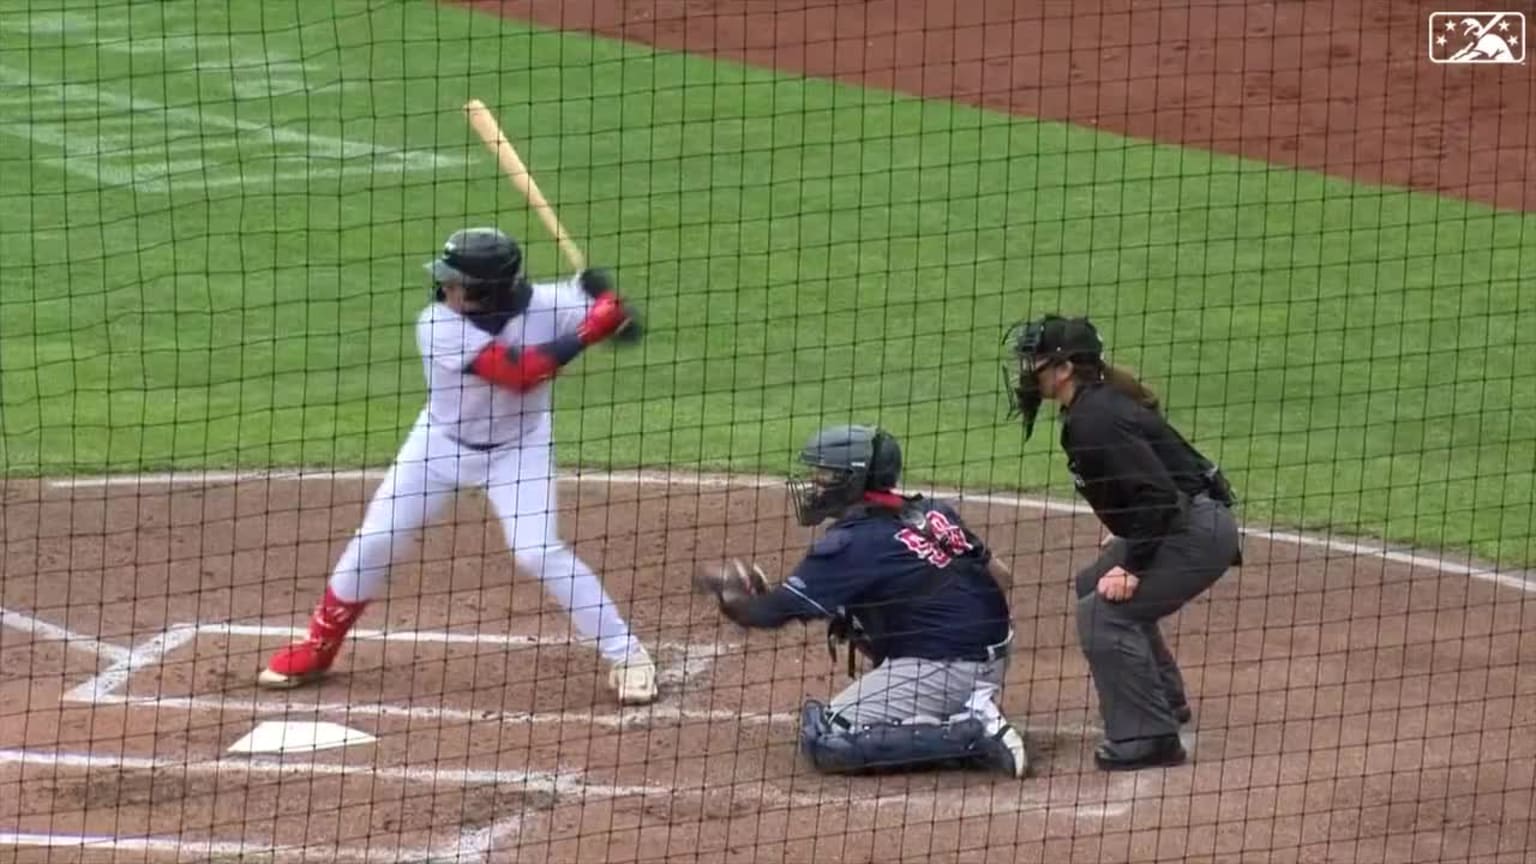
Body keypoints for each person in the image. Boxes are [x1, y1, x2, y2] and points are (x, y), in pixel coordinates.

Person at [257, 227, 660, 706]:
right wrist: (591, 329)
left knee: (537, 551)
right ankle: (318, 647)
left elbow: (622, 324)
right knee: (376, 540)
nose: (446, 289)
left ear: (489, 289)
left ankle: (629, 655)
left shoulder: (552, 304)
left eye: (457, 282)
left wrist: (607, 300)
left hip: (519, 449)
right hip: (438, 446)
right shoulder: (436, 325)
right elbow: (521, 373)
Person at [692, 424, 1029, 778]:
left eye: (824, 475)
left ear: (851, 480)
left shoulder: (852, 544)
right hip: (991, 648)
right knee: (857, 616)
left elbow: (770, 614)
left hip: (951, 663)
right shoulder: (929, 511)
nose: (814, 485)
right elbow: (1002, 577)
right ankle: (953, 703)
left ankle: (975, 732)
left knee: (832, 734)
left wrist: (732, 598)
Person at [1004, 314, 1242, 771]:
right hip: (1187, 518)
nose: (1026, 370)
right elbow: (1160, 471)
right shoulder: (1096, 406)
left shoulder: (1096, 419)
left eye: (1034, 359)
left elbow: (1155, 495)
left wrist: (1133, 565)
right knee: (1093, 583)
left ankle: (1149, 738)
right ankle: (1164, 700)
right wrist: (1127, 532)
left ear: (1065, 367)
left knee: (1102, 613)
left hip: (1194, 530)